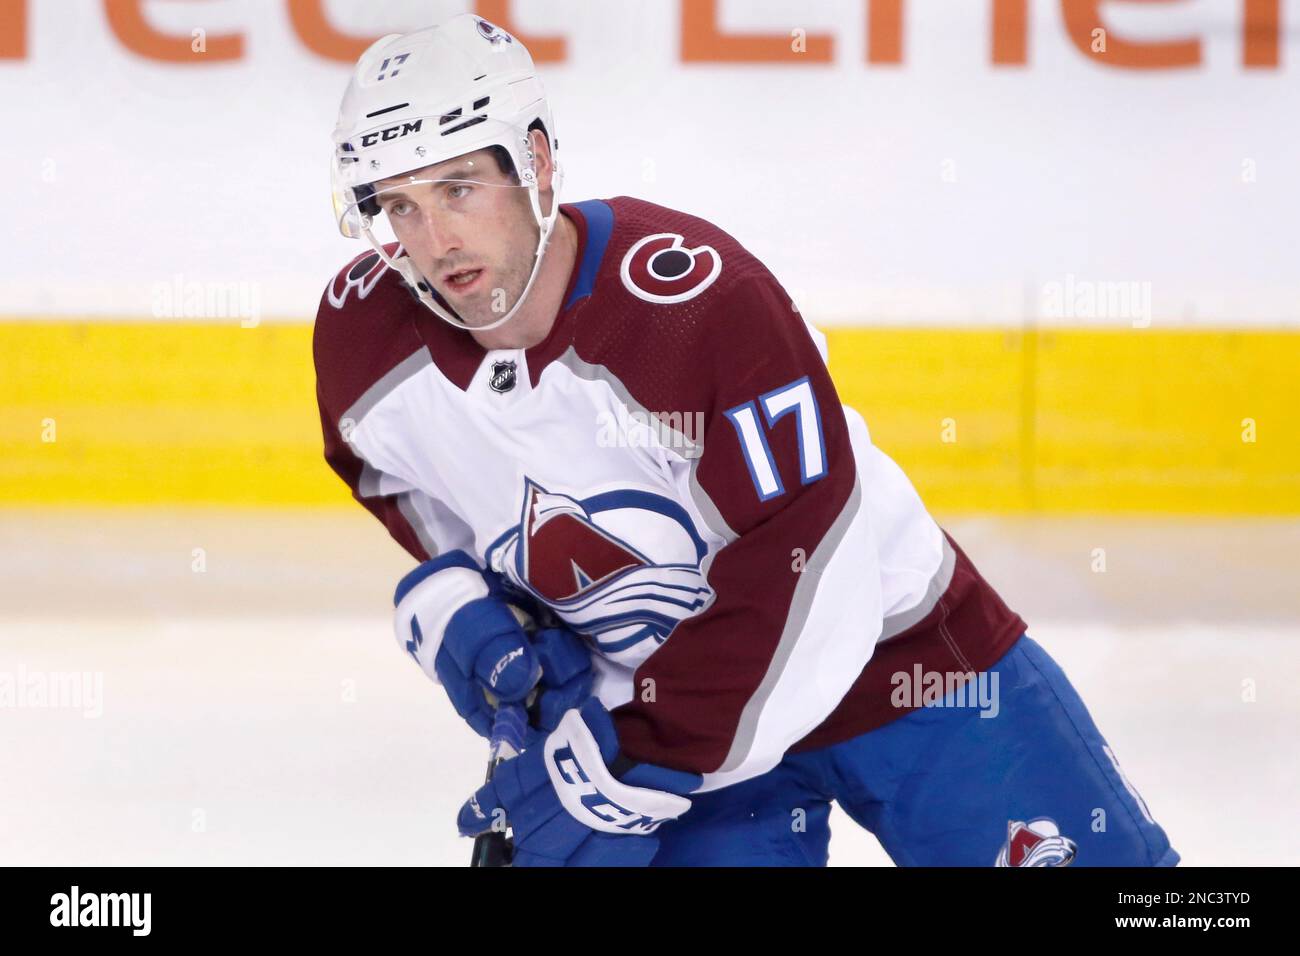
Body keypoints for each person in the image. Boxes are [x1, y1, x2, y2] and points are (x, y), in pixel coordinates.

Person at [314, 13, 1177, 867]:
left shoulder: (698, 308)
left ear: (535, 161)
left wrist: (627, 763)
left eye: (460, 187)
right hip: (669, 725)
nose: (436, 241)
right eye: (400, 206)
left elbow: (809, 563)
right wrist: (462, 597)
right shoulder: (366, 343)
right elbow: (415, 489)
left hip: (898, 668)